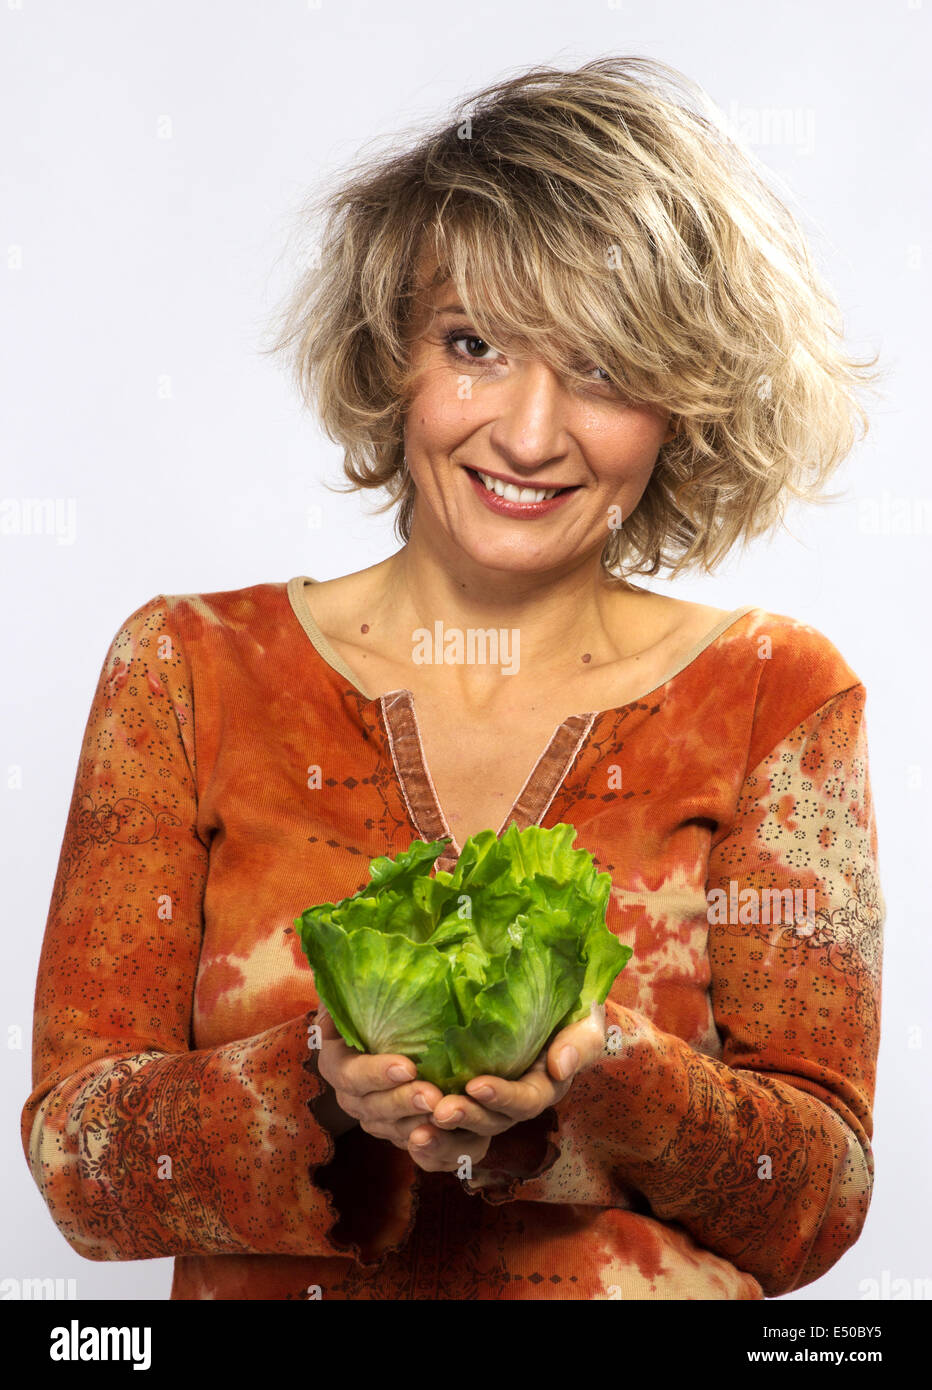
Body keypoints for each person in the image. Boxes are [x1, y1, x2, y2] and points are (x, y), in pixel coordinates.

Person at [22, 55, 885, 1300]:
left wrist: (598, 1063)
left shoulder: (773, 694)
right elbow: (77, 1172)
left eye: (601, 366)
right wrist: (320, 1079)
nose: (529, 434)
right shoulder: (188, 669)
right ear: (391, 355)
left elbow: (815, 1203)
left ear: (681, 401)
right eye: (472, 344)